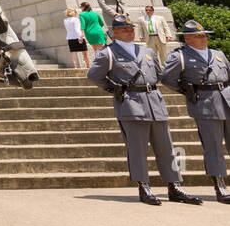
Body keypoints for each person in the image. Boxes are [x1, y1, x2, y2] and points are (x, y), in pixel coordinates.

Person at [87, 13, 201, 206]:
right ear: (114, 33)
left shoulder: (146, 51)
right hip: (131, 103)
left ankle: (175, 186)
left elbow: (158, 74)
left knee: (167, 148)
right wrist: (113, 88)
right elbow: (93, 75)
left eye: (131, 29)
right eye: (124, 29)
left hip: (154, 102)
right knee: (137, 148)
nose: (129, 32)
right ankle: (144, 186)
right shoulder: (108, 53)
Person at [160, 21, 230, 203]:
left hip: (227, 100)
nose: (204, 38)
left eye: (205, 35)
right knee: (213, 147)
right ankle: (220, 186)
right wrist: (188, 91)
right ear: (188, 38)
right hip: (205, 104)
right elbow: (168, 79)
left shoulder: (218, 54)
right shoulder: (180, 56)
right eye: (199, 35)